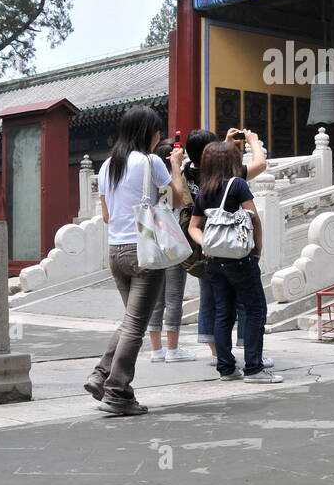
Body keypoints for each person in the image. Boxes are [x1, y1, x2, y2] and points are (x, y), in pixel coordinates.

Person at [83, 105, 186, 416]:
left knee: (131, 321)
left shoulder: (106, 166)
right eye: (157, 131)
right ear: (148, 133)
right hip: (144, 251)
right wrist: (177, 166)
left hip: (115, 251)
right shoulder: (151, 161)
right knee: (135, 327)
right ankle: (117, 392)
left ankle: (102, 375)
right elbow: (179, 199)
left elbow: (105, 214)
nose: (159, 137)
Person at [188, 141, 282, 384]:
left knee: (223, 313)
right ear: (231, 162)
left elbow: (193, 227)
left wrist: (207, 245)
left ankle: (226, 368)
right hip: (240, 259)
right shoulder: (237, 184)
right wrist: (257, 250)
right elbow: (255, 219)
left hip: (214, 261)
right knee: (255, 310)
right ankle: (254, 369)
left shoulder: (203, 190)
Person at [146, 139, 195, 363]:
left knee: (156, 298)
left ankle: (157, 350)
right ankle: (173, 350)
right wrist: (177, 168)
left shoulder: (149, 180)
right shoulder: (171, 179)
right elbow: (178, 203)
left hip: (153, 241)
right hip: (172, 242)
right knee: (174, 297)